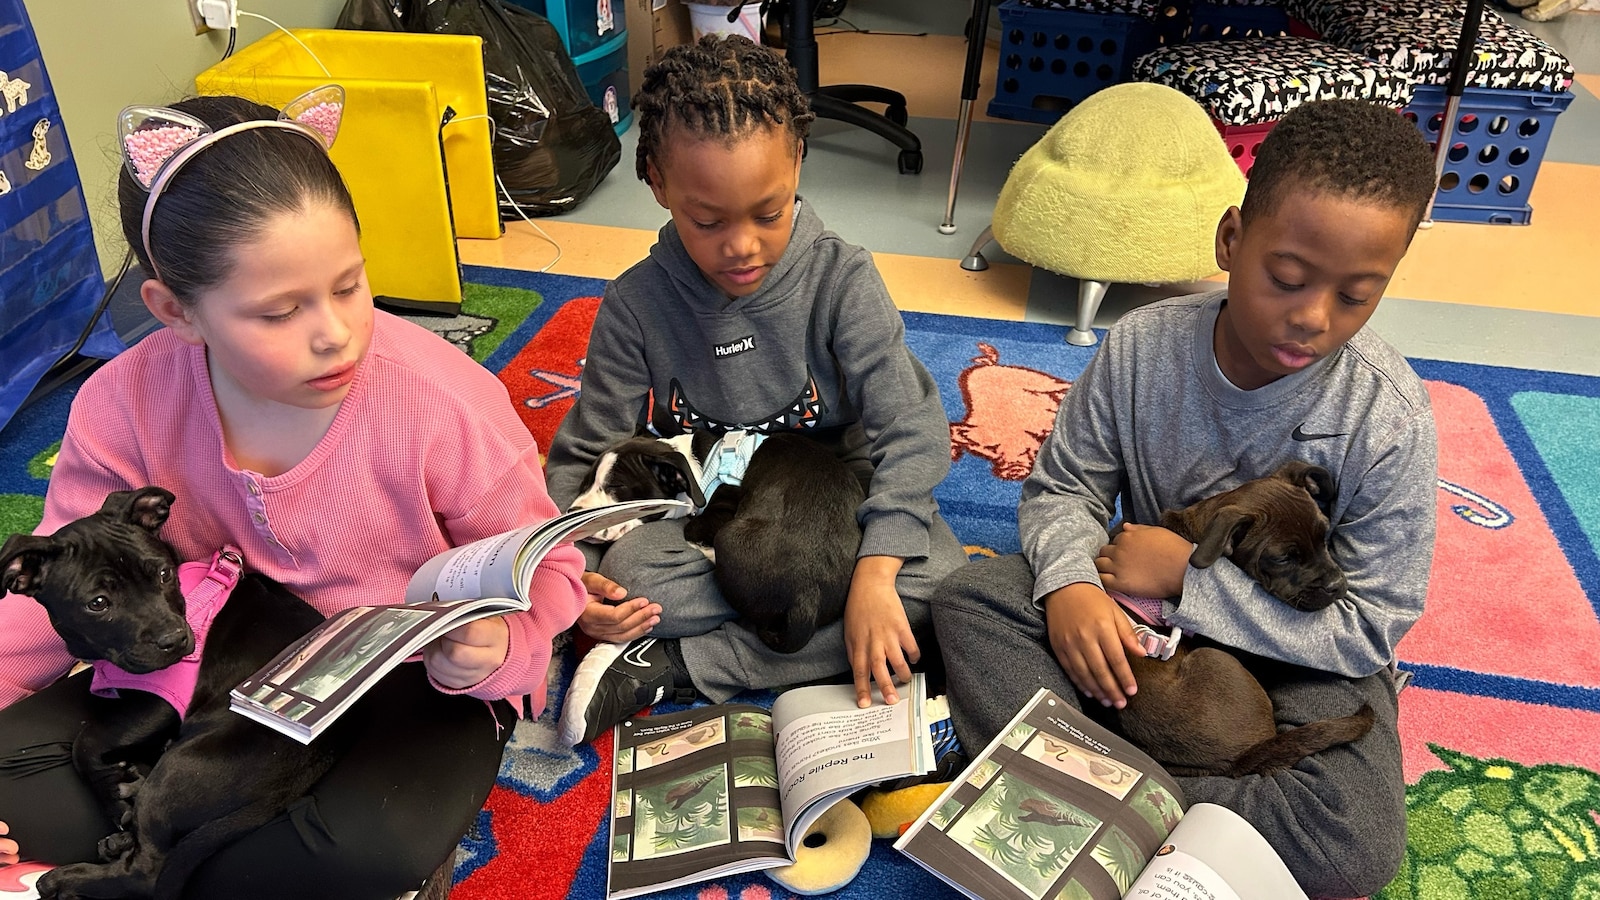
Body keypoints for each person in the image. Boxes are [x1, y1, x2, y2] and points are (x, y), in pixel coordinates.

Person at [0, 92, 586, 897]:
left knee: (367, 848)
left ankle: (155, 863)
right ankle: (176, 859)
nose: (335, 333)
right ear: (177, 313)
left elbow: (548, 570)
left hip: (403, 687)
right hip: (207, 674)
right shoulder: (122, 401)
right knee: (11, 780)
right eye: (280, 311)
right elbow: (62, 583)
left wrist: (498, 651)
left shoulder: (443, 401)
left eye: (350, 286)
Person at [930, 99, 1440, 899]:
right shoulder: (1141, 348)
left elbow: (1367, 629)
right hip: (1145, 639)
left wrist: (1193, 585)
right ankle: (1187, 806)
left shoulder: (1388, 418)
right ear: (1231, 241)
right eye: (1287, 278)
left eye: (1356, 296)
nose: (1311, 317)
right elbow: (1064, 489)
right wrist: (1067, 585)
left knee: (1356, 843)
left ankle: (1090, 780)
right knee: (968, 600)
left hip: (1296, 656)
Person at [546, 35, 968, 747]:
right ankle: (800, 630)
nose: (741, 245)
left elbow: (916, 432)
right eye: (708, 221)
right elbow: (588, 455)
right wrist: (573, 578)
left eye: (768, 214)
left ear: (798, 162)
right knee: (630, 573)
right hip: (711, 518)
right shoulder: (636, 303)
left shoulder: (843, 280)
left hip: (834, 505)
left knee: (944, 594)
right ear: (656, 182)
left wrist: (873, 571)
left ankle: (683, 666)